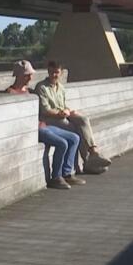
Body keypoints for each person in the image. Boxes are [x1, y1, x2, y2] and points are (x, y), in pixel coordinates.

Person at [6, 60, 84, 189]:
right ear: (19, 75)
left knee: (74, 138)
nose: (30, 77)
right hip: (33, 130)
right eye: (27, 74)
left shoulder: (30, 91)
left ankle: (67, 174)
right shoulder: (11, 93)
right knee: (62, 143)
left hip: (44, 126)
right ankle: (56, 177)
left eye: (30, 74)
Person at [35, 60, 112, 174]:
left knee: (83, 120)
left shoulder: (60, 87)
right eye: (52, 72)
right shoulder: (41, 87)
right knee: (74, 130)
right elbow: (45, 110)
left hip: (62, 114)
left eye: (56, 72)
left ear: (61, 73)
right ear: (48, 71)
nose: (54, 75)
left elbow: (63, 105)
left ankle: (93, 152)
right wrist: (60, 113)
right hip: (49, 118)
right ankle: (86, 162)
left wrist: (69, 111)